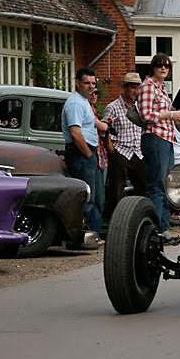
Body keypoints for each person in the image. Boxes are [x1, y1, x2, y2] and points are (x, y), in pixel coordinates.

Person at [138, 53, 180, 236]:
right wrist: (170, 115)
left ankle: (164, 225)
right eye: (160, 65)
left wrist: (177, 114)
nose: (164, 68)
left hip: (167, 138)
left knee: (165, 184)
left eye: (167, 66)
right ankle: (156, 227)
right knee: (156, 184)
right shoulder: (148, 86)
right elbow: (146, 115)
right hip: (155, 138)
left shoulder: (162, 88)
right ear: (153, 68)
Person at [61, 67, 102, 245]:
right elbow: (75, 132)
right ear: (77, 83)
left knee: (93, 197)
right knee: (85, 197)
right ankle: (80, 238)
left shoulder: (84, 101)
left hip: (88, 154)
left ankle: (92, 236)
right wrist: (87, 153)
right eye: (86, 83)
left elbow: (93, 124)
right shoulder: (76, 103)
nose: (91, 87)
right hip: (80, 154)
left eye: (93, 83)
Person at [102, 72, 147, 220]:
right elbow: (105, 129)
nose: (135, 91)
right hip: (120, 150)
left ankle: (139, 218)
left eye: (137, 88)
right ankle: (118, 220)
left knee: (142, 185)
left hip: (137, 151)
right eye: (132, 88)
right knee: (117, 188)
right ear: (125, 88)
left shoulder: (139, 107)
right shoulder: (113, 107)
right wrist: (111, 149)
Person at [89, 89, 110, 236]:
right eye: (92, 93)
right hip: (92, 155)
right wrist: (105, 126)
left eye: (97, 92)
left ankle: (96, 230)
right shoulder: (86, 109)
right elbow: (102, 127)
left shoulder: (94, 110)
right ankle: (92, 232)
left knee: (99, 198)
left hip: (101, 156)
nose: (94, 95)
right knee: (92, 197)